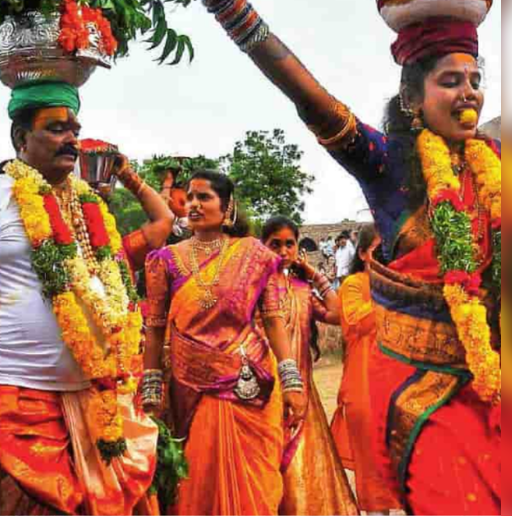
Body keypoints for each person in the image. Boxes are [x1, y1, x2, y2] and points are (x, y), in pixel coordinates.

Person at [176, 0, 500, 512]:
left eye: (475, 79)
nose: (469, 92)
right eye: (451, 80)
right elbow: (304, 93)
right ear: (411, 96)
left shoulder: (501, 160)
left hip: (500, 390)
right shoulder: (389, 165)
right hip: (423, 395)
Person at [0, 84, 159, 515]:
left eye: (74, 129)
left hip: (98, 399)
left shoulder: (89, 204)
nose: (71, 139)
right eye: (56, 129)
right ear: (20, 139)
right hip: (21, 401)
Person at [142, 170, 306, 516]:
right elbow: (155, 328)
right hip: (189, 387)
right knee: (196, 478)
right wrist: (152, 385)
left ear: (227, 206)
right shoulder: (166, 260)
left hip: (248, 386)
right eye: (189, 197)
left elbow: (274, 320)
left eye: (205, 197)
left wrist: (292, 380)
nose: (194, 205)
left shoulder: (255, 255)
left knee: (255, 485)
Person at [259, 216, 357, 516]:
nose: (284, 251)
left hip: (302, 393)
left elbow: (337, 314)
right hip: (263, 393)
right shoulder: (254, 288)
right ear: (263, 246)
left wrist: (315, 275)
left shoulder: (302, 289)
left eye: (290, 244)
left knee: (304, 466)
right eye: (275, 244)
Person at [330, 225, 402, 515]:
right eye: (378, 250)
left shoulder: (403, 284)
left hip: (399, 383)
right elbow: (357, 321)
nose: (385, 257)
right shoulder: (354, 284)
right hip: (364, 385)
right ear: (362, 254)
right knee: (371, 462)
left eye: (390, 251)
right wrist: (391, 296)